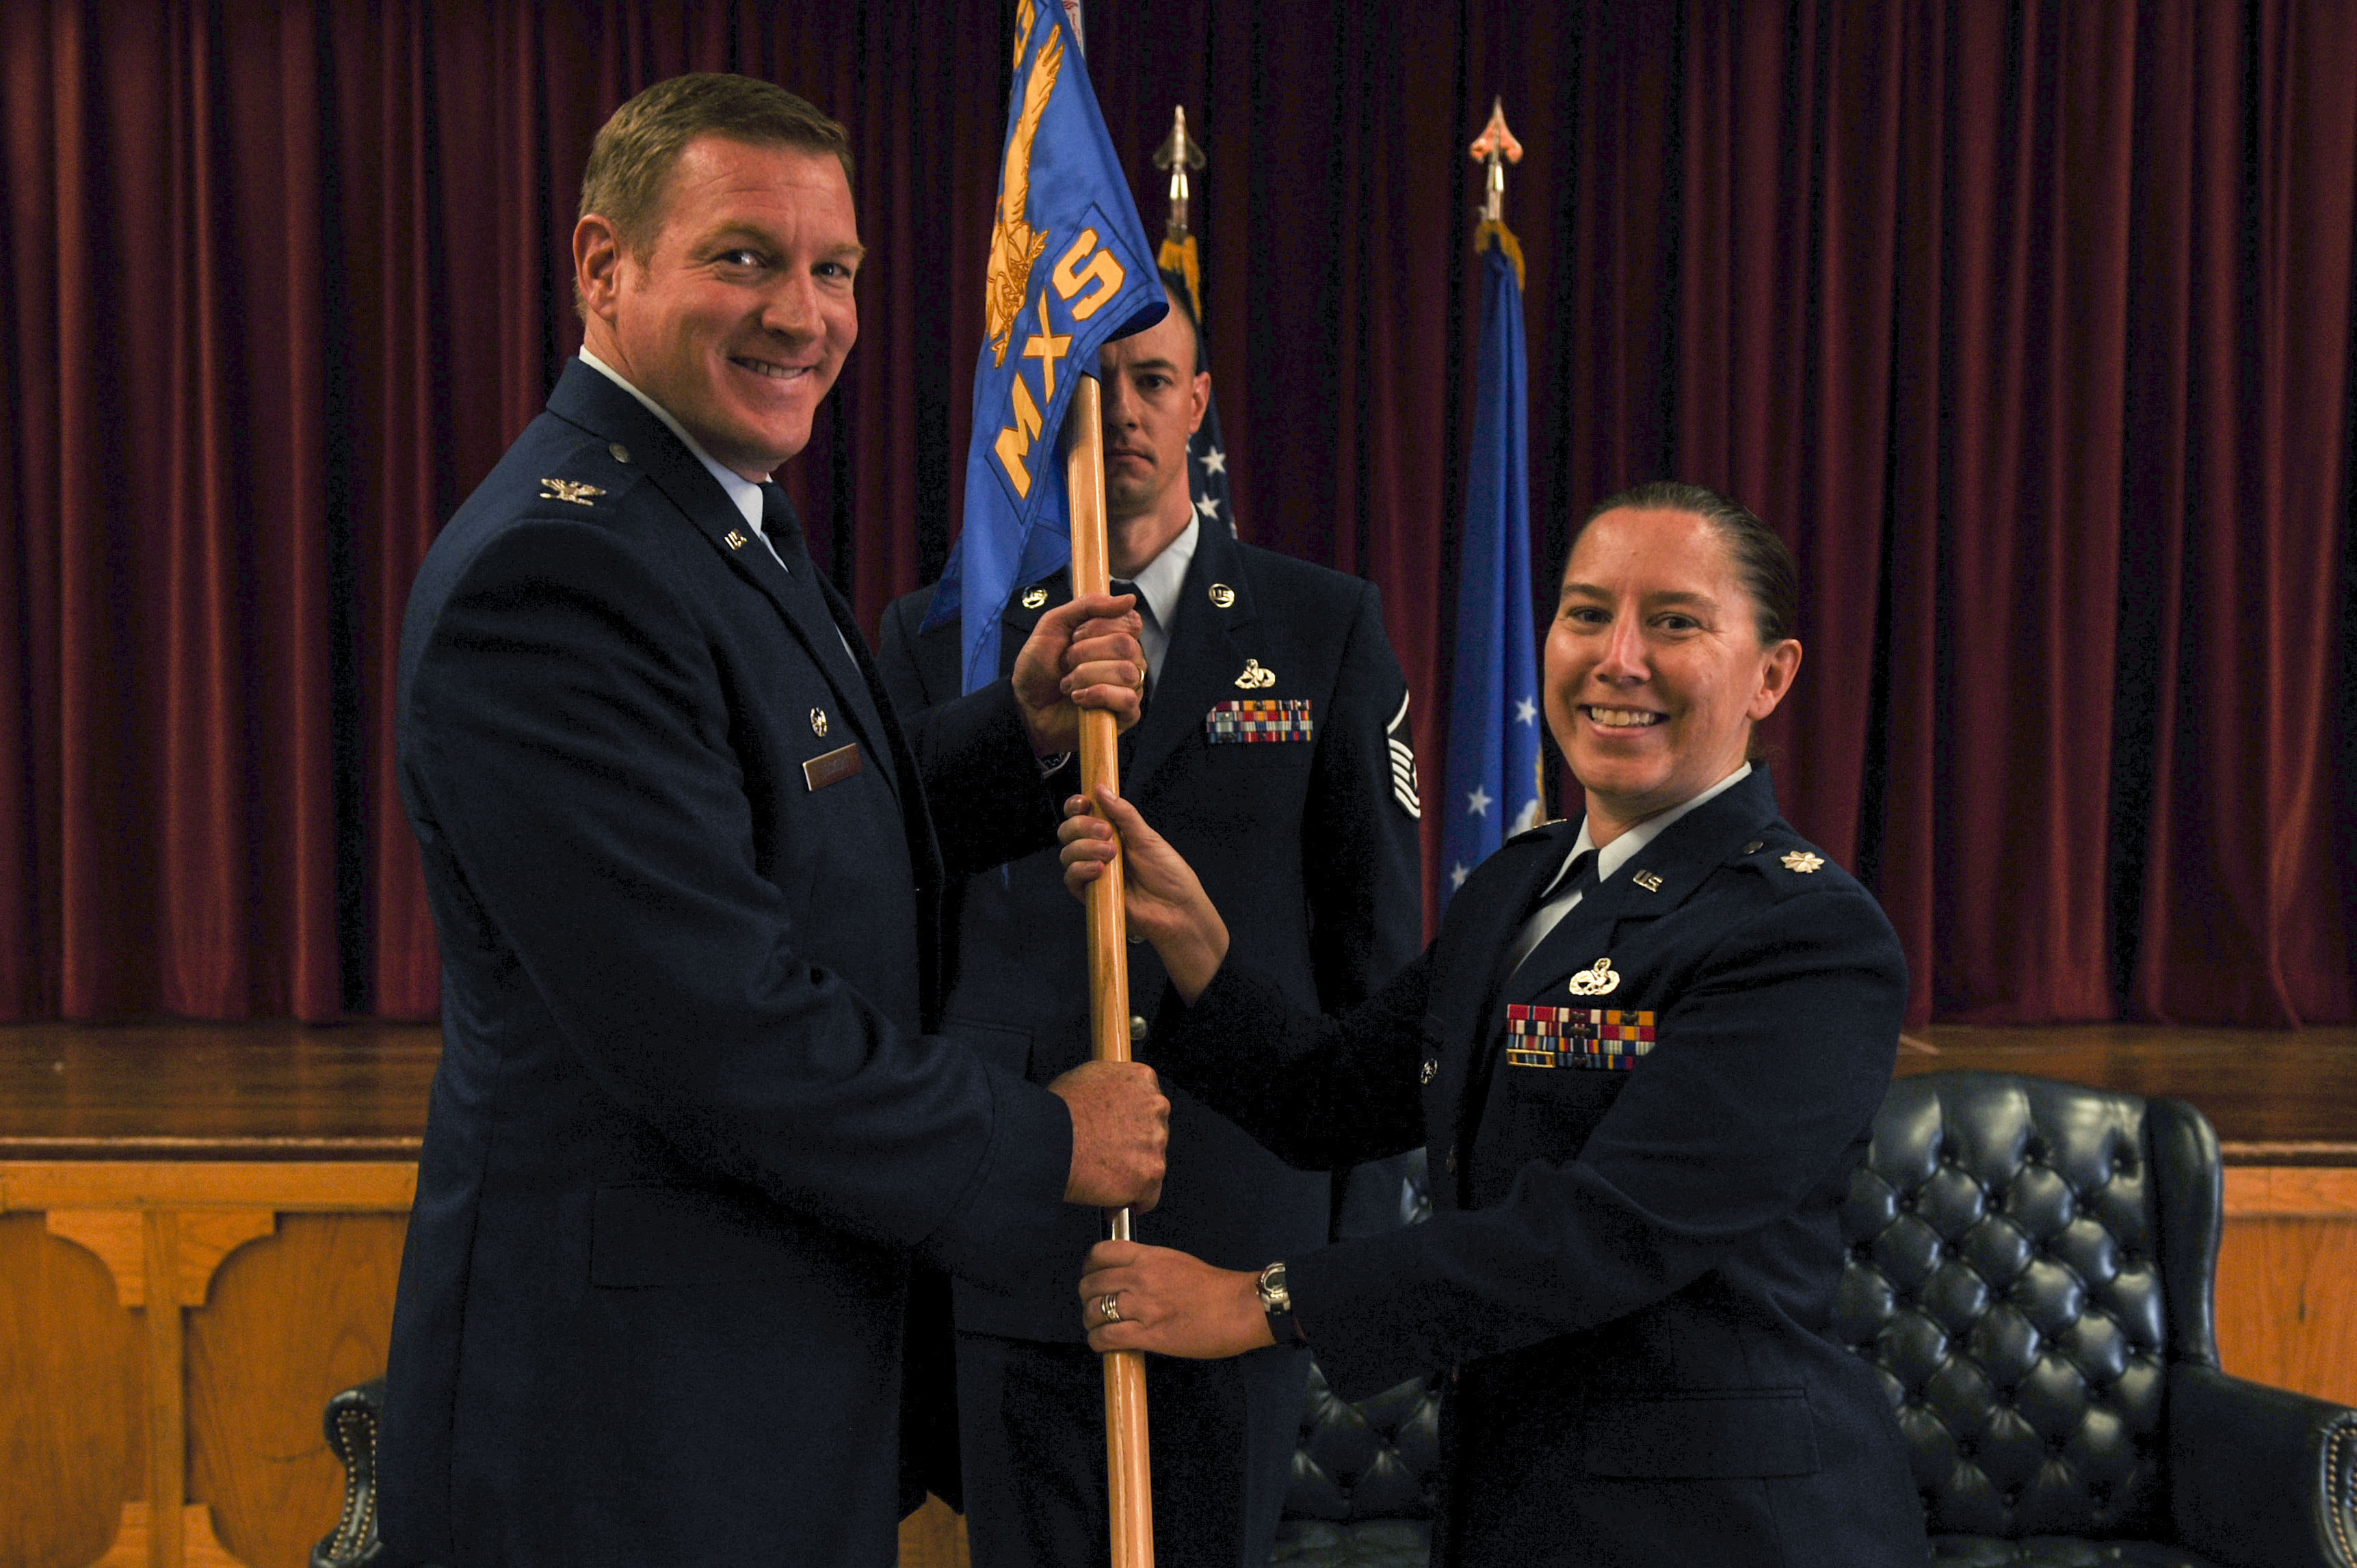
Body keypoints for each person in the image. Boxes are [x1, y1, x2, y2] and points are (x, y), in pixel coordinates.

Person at [380, 75, 1172, 1568]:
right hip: (627, 1437)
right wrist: (1041, 1136)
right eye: (743, 256)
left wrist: (1017, 739)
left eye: (836, 269)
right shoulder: (558, 575)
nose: (803, 314)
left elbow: (788, 827)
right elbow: (715, 1026)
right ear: (602, 266)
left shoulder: (700, 504)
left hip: (749, 1377)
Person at [1060, 482, 1931, 1567]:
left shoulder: (1803, 932)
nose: (1618, 658)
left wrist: (1261, 1302)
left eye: (1674, 621)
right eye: (1584, 612)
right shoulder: (1517, 888)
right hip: (1520, 1499)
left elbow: (1604, 1231)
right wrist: (1196, 940)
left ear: (1771, 674)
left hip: (1721, 1521)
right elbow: (1329, 1096)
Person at [877, 276, 1423, 1568]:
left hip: (1239, 1205)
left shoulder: (1321, 624)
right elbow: (898, 935)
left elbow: (1372, 944)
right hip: (1013, 1208)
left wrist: (1349, 1248)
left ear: (1198, 405)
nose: (1119, 411)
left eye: (1151, 381)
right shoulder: (941, 634)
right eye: (1085, 381)